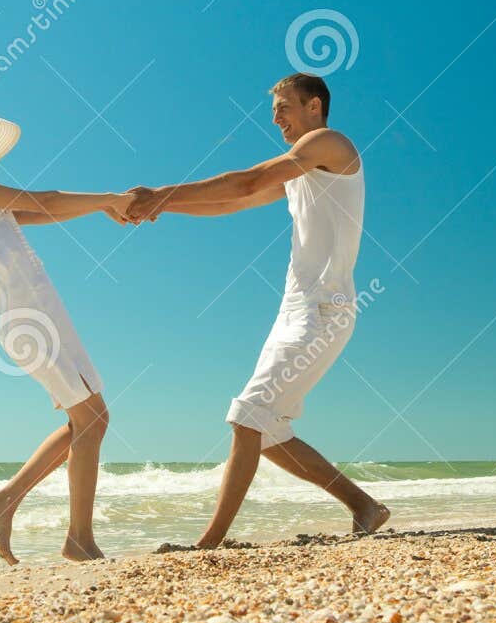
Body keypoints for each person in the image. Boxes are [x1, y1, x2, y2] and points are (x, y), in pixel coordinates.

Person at [126, 73, 390, 547]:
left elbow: (247, 180)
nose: (275, 117)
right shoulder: (302, 171)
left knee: (249, 417)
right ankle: (364, 507)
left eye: (284, 106)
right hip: (295, 309)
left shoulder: (328, 143)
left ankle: (209, 543)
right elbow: (234, 200)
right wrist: (163, 208)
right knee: (266, 431)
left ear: (314, 106)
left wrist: (161, 194)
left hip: (323, 309)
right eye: (274, 109)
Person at [0, 100, 128, 564]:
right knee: (92, 420)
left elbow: (45, 212)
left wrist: (102, 208)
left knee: (88, 420)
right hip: (33, 321)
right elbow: (46, 200)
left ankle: (6, 503)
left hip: (34, 318)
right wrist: (108, 198)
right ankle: (77, 541)